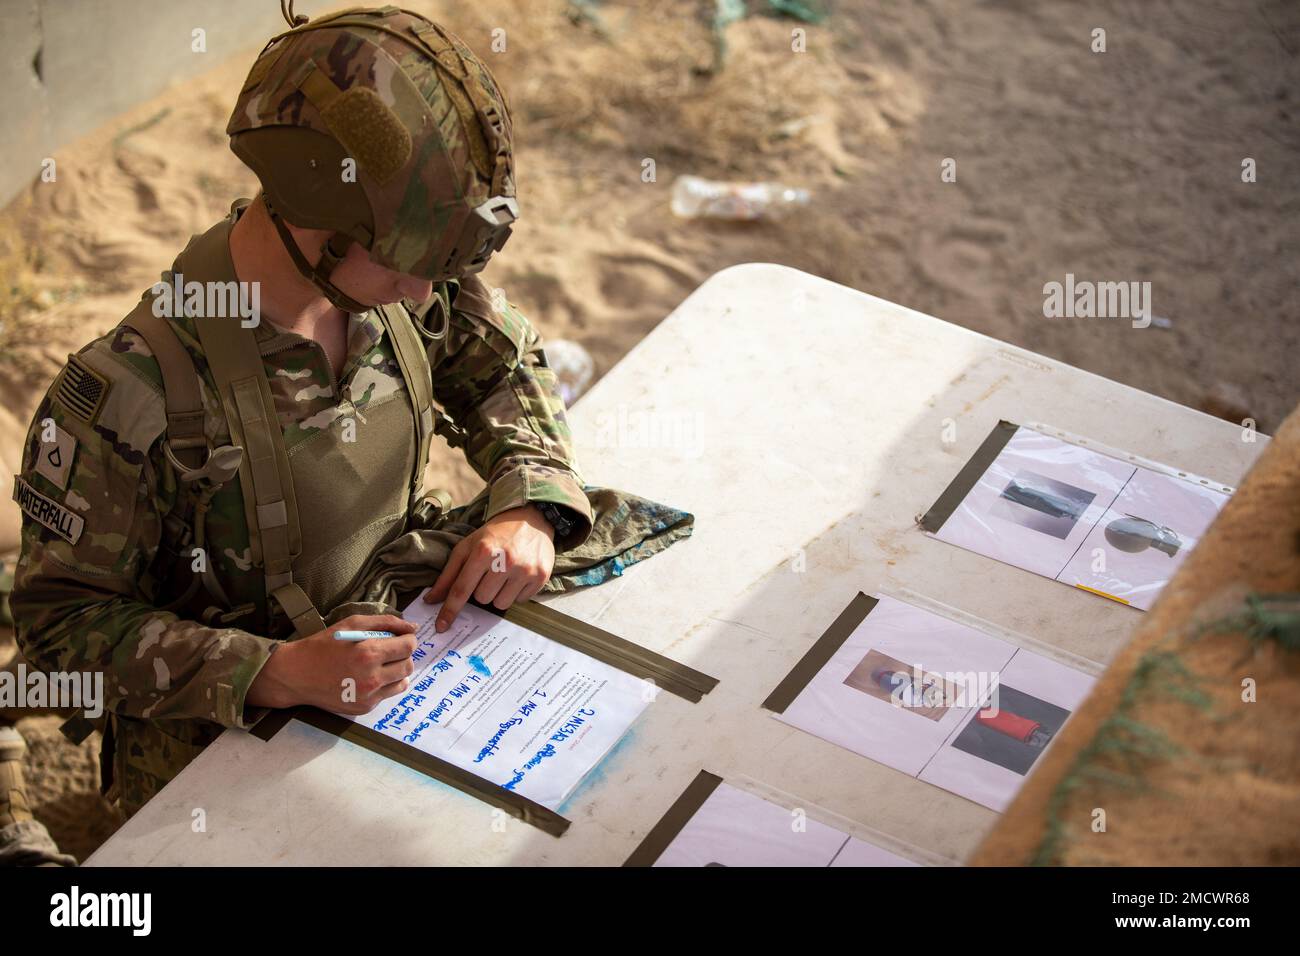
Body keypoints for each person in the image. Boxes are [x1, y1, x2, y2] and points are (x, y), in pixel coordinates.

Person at [10, 6, 599, 818]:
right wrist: (273, 671)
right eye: (405, 266)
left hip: (408, 668)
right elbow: (59, 630)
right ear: (311, 215)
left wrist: (528, 501)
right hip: (217, 759)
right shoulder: (132, 395)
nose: (427, 292)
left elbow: (505, 360)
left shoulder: (388, 276)